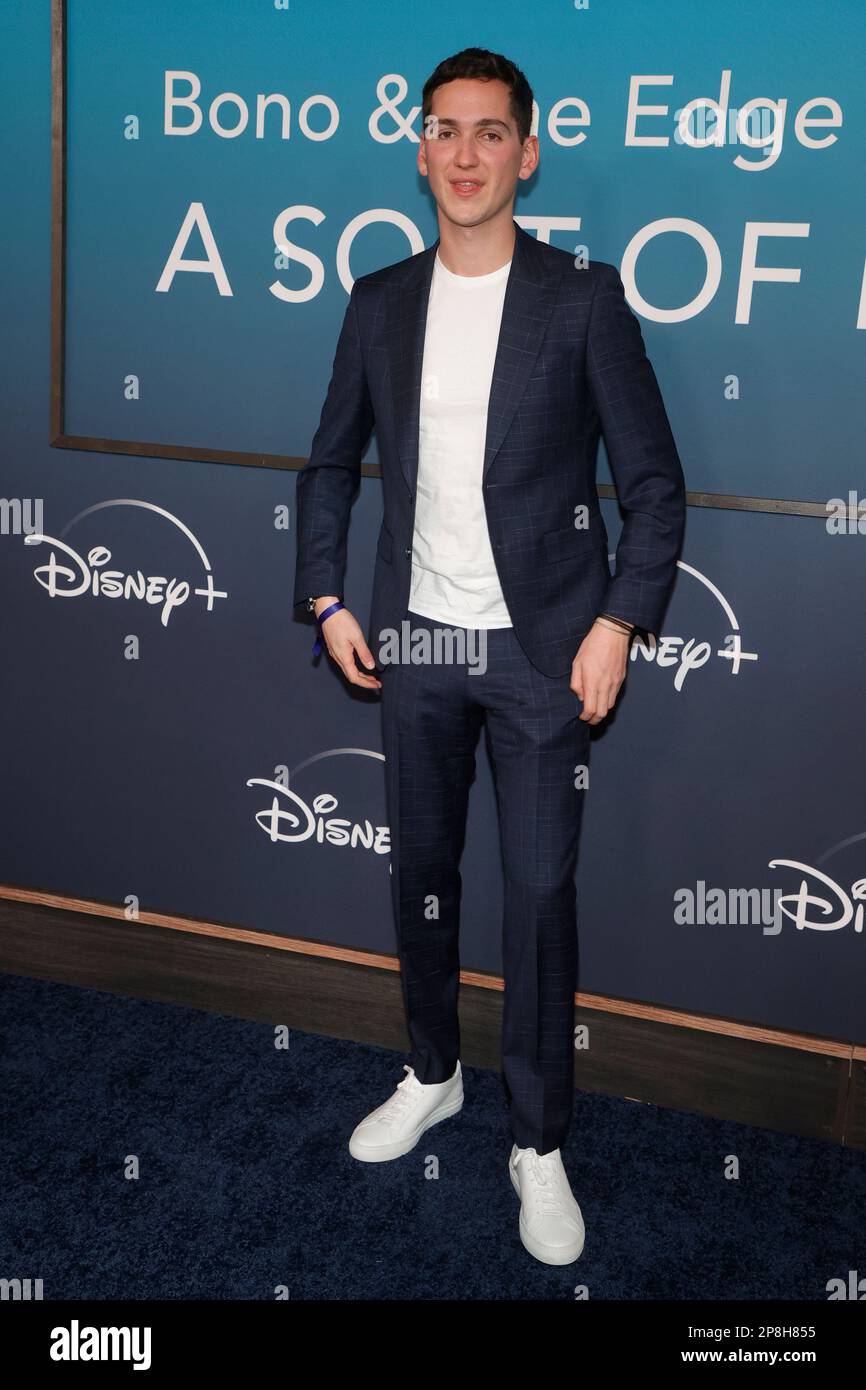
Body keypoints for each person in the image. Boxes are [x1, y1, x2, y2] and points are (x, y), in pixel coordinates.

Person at [294, 47, 686, 1266]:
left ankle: (537, 1138)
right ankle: (431, 1070)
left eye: (487, 133)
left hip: (538, 653)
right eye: (442, 131)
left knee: (536, 897)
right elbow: (327, 463)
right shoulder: (377, 299)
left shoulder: (582, 298)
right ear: (419, 152)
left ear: (526, 152)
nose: (463, 154)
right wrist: (323, 594)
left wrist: (615, 625)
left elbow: (656, 488)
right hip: (409, 642)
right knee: (420, 872)